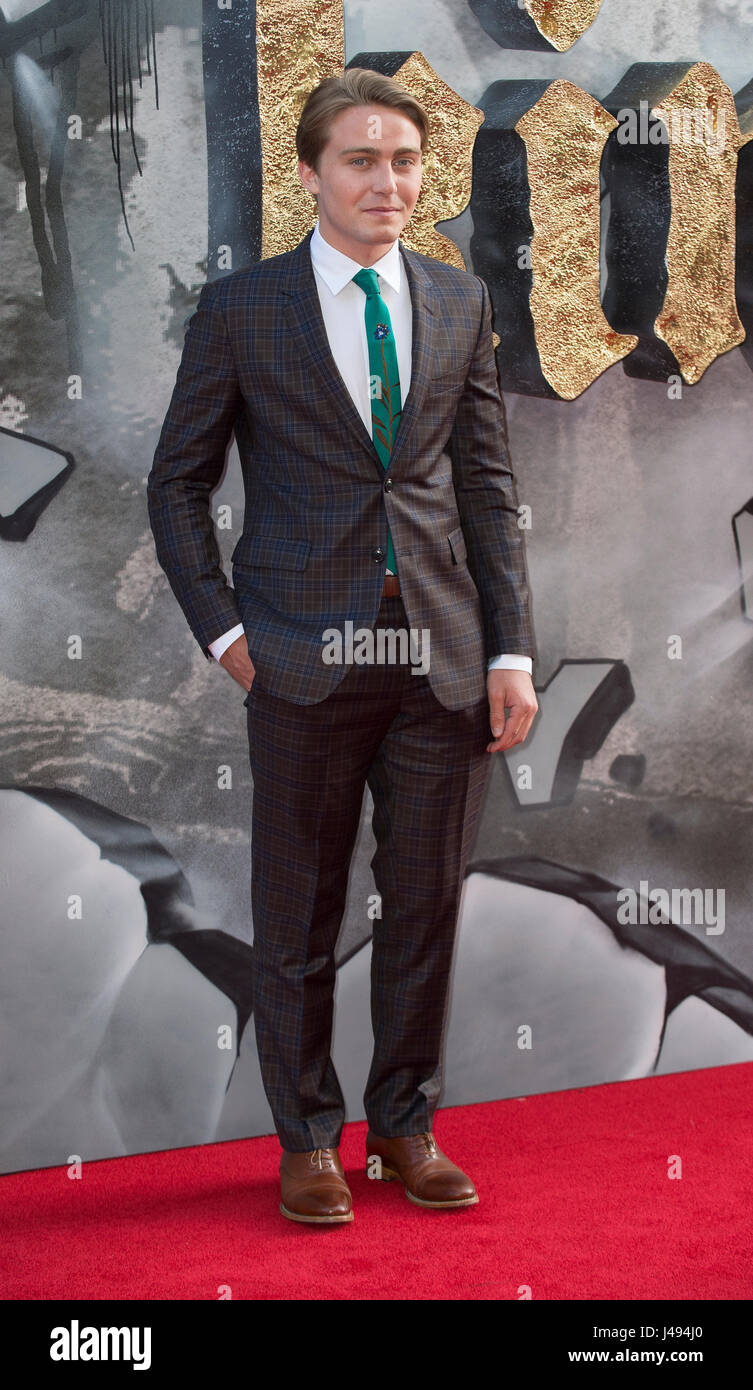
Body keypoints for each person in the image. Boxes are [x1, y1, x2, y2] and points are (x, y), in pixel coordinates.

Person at [147, 67, 538, 1224]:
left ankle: (404, 1129)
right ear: (312, 174)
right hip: (300, 658)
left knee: (423, 906)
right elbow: (176, 486)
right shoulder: (243, 310)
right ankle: (308, 1139)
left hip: (443, 659)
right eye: (362, 159)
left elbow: (488, 488)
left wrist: (511, 650)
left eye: (406, 160)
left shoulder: (458, 302)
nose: (388, 181)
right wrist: (225, 632)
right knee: (301, 910)